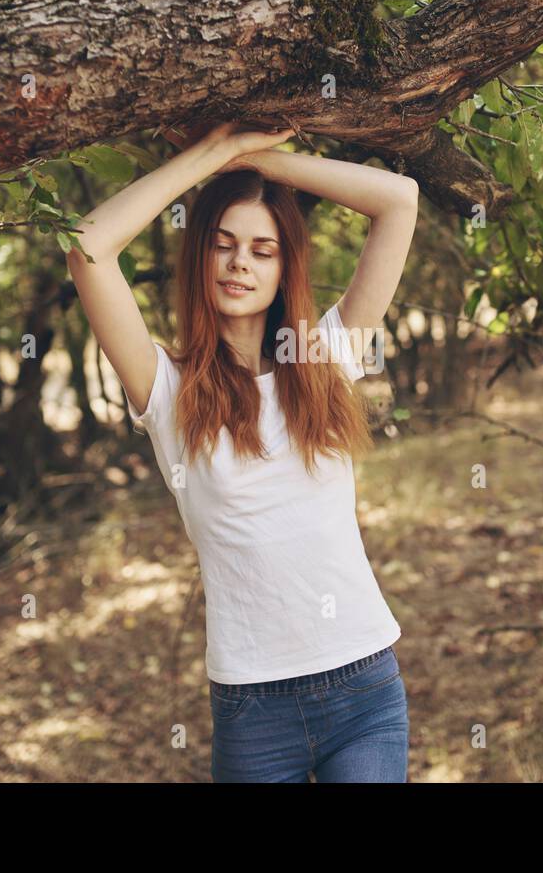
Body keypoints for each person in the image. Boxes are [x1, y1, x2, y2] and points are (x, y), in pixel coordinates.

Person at [66, 121, 419, 782]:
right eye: (224, 244)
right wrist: (211, 156)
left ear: (286, 265)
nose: (239, 264)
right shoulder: (165, 387)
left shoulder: (326, 356)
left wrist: (262, 158)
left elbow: (399, 199)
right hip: (254, 710)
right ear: (202, 254)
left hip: (363, 687)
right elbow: (87, 247)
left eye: (262, 249)